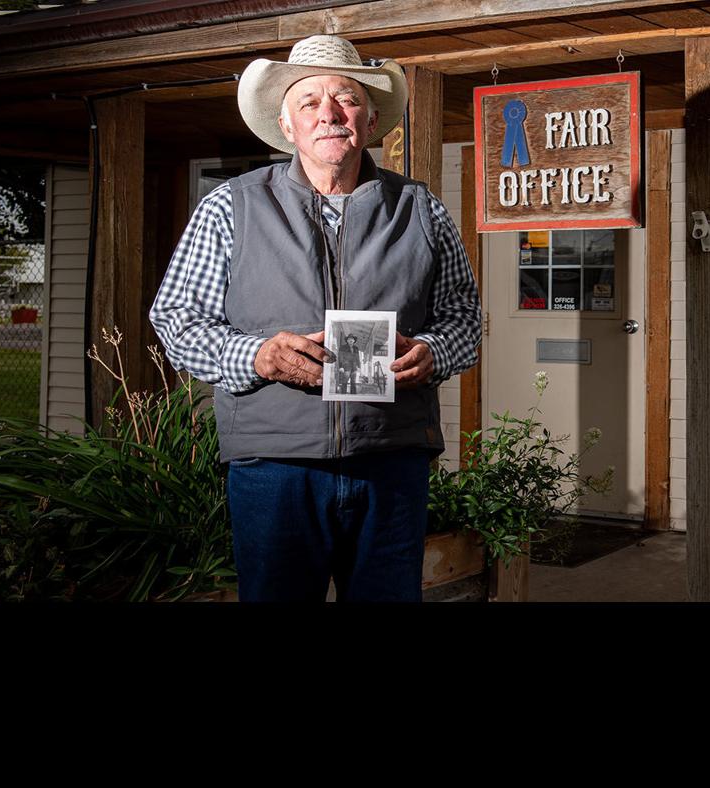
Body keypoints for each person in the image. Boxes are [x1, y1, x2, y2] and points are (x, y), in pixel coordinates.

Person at [149, 34, 481, 602]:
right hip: (273, 466)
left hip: (390, 457)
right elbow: (176, 317)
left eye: (345, 99)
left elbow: (464, 320)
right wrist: (256, 355)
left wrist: (435, 351)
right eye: (310, 102)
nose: (329, 114)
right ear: (287, 125)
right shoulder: (231, 205)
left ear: (371, 119)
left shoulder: (421, 207)